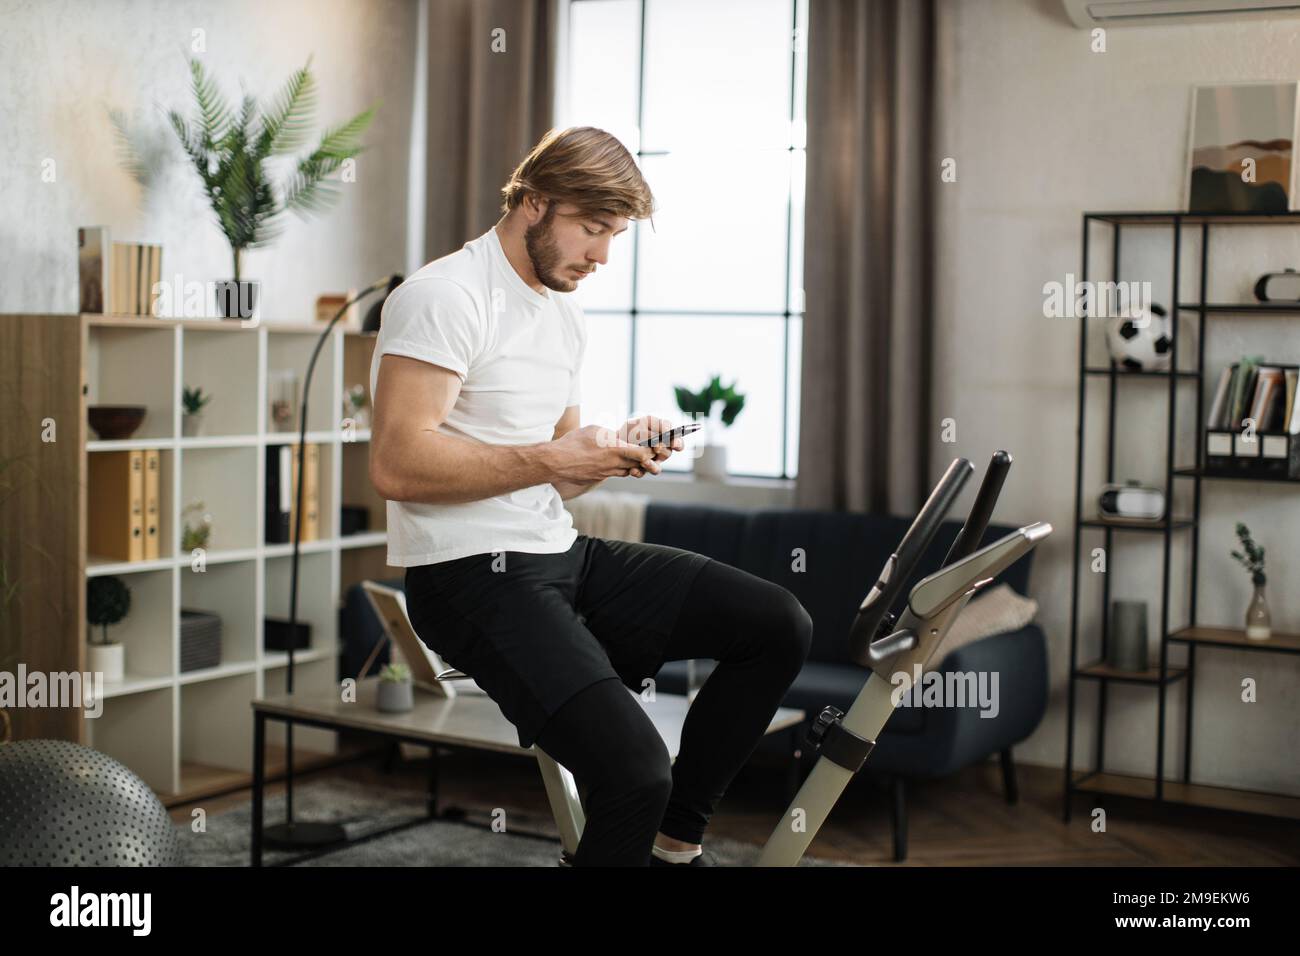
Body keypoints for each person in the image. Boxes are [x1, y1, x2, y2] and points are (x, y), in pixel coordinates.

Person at [369, 126, 812, 866]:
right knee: (634, 773)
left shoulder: (562, 315)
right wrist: (552, 455)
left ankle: (675, 845)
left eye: (615, 234)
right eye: (593, 228)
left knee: (776, 623)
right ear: (534, 202)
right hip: (466, 574)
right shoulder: (444, 296)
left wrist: (609, 455)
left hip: (556, 552)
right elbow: (397, 462)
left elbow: (559, 471)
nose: (603, 255)